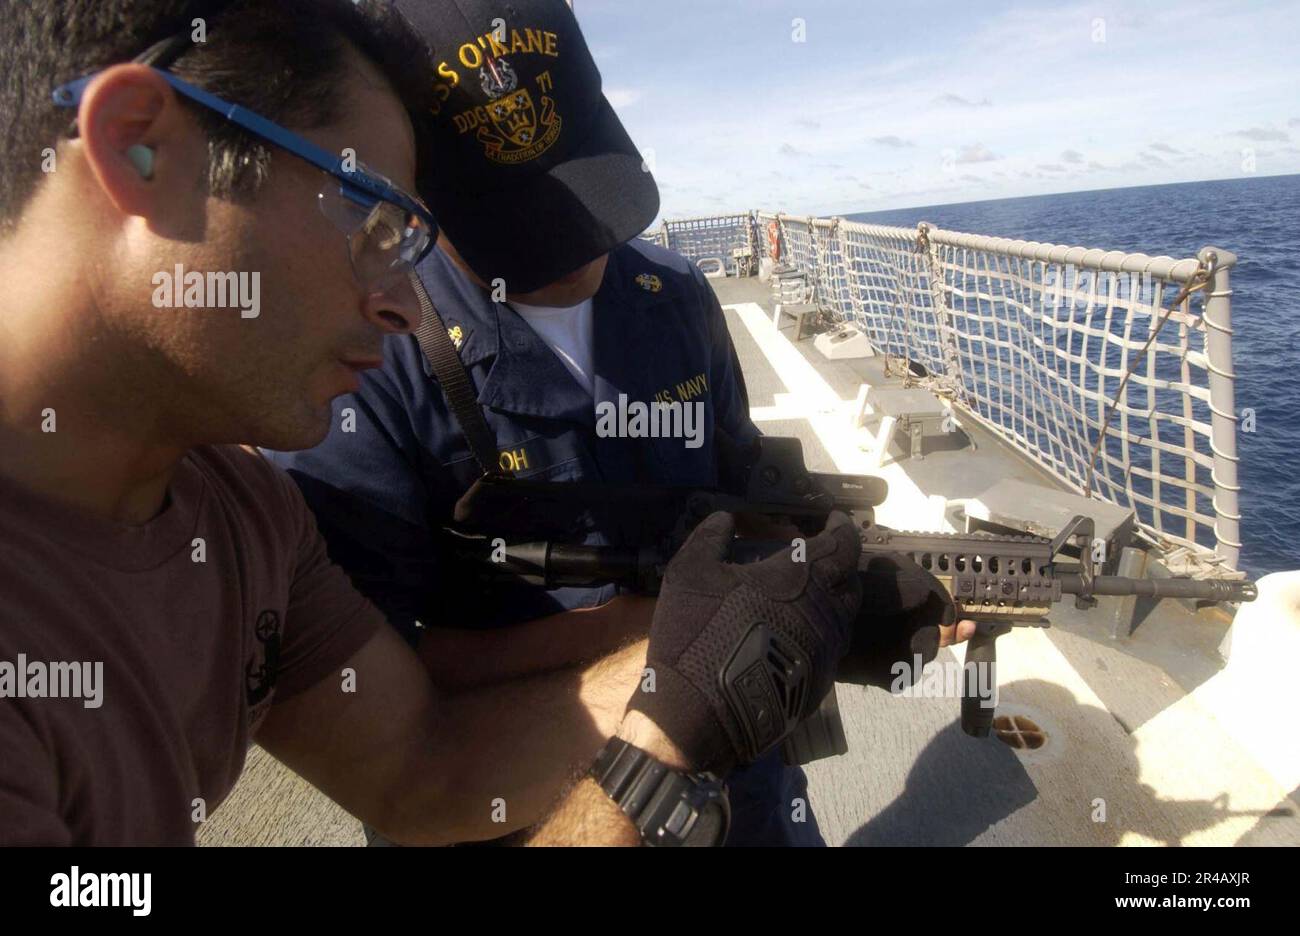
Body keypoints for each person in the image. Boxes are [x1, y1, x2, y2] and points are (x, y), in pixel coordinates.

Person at [0, 0, 863, 847]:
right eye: (370, 215)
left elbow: (421, 766)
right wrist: (669, 714)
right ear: (139, 148)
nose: (399, 301)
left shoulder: (246, 523)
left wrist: (725, 658)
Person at [268, 0, 826, 845]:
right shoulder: (364, 368)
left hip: (741, 770)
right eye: (522, 221)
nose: (577, 251)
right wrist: (682, 631)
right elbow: (383, 679)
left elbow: (745, 488)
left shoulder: (674, 296)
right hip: (523, 802)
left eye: (588, 195)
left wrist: (824, 577)